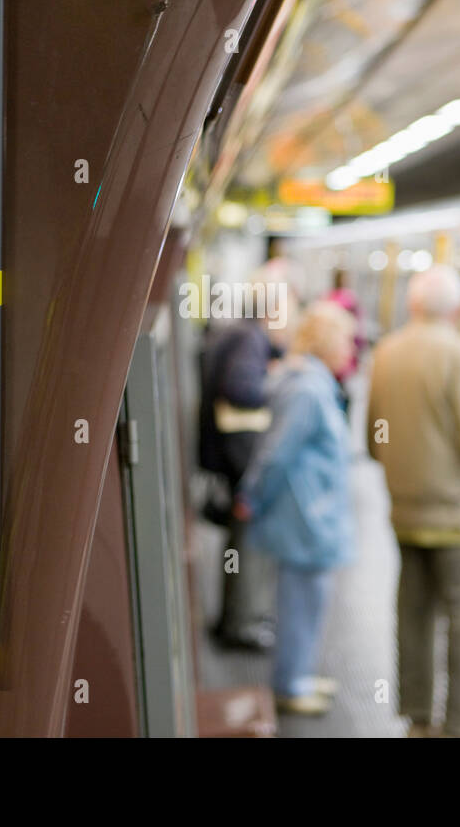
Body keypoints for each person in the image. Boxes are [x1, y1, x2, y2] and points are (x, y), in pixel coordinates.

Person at [366, 266, 460, 737]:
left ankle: (417, 716)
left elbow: (374, 438)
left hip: (405, 512)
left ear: (412, 305)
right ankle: (458, 724)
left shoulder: (386, 352)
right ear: (459, 308)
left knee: (412, 614)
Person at [235, 300, 357, 715]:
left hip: (311, 511)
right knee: (300, 603)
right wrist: (251, 495)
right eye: (345, 340)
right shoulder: (307, 389)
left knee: (307, 600)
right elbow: (276, 451)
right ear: (325, 342)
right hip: (307, 515)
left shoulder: (311, 381)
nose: (351, 349)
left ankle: (299, 673)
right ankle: (289, 684)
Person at [197, 275, 295, 651]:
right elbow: (241, 390)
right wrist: (276, 381)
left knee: (239, 544)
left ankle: (235, 619)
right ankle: (240, 624)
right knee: (246, 544)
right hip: (239, 457)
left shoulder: (237, 332)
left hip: (226, 455)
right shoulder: (249, 338)